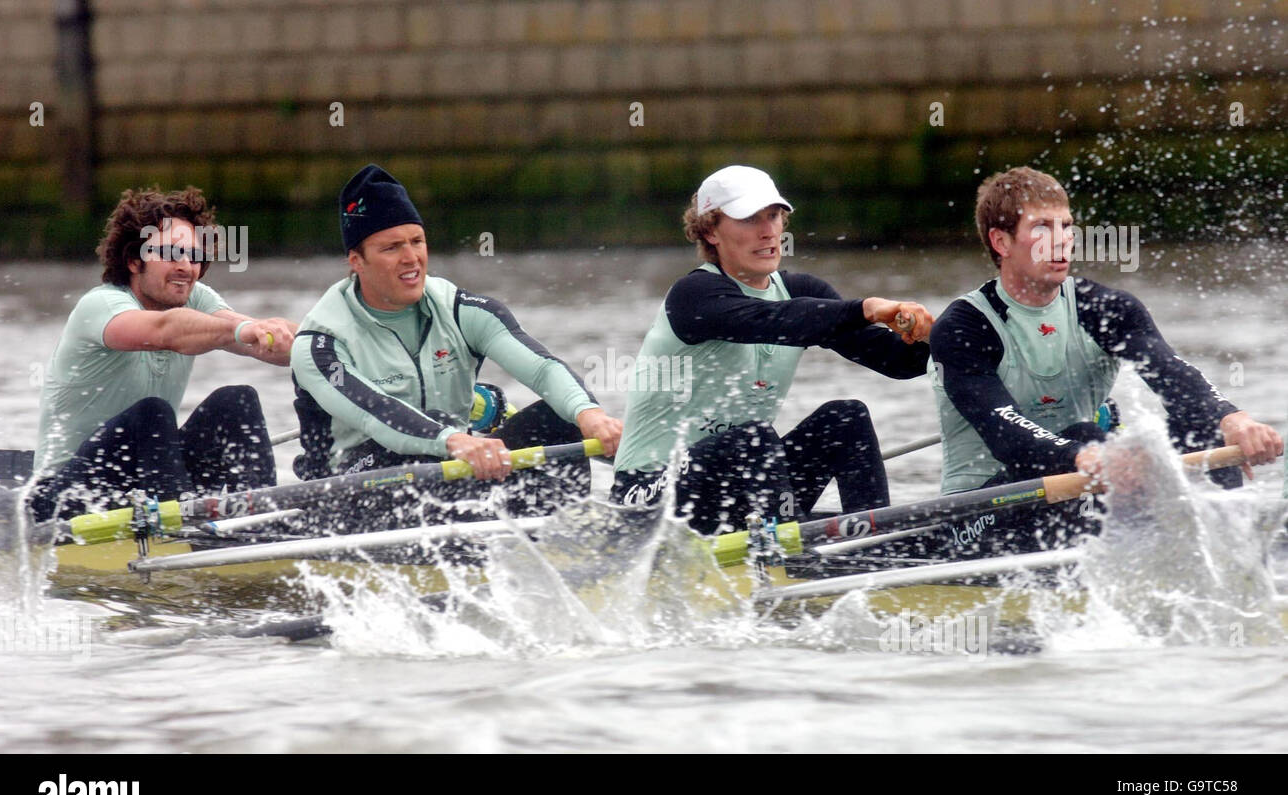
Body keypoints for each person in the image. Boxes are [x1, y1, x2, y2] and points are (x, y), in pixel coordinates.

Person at [929, 166, 1282, 546]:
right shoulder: (963, 328)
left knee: (1204, 427)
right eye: (1042, 228)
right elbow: (1005, 433)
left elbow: (1171, 373)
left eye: (1066, 227)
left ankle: (1230, 550)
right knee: (1089, 436)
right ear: (1002, 242)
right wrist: (1084, 455)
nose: (1061, 241)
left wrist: (1232, 419)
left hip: (1084, 484)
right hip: (980, 513)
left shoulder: (1105, 308)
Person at [610, 165, 934, 535]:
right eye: (750, 219)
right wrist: (865, 309)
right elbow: (775, 320)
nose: (768, 231)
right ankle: (784, 560)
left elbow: (900, 361)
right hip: (646, 496)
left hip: (742, 489)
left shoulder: (800, 291)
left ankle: (874, 549)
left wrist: (945, 334)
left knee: (846, 418)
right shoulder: (693, 297)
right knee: (753, 438)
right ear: (711, 230)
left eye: (775, 216)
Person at [289, 164, 622, 523]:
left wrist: (590, 415)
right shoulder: (319, 344)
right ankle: (483, 543)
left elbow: (542, 369)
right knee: (421, 443)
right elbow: (378, 414)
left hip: (448, 465)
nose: (411, 258)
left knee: (558, 416)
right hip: (347, 491)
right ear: (357, 262)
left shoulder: (462, 310)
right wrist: (453, 440)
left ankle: (557, 538)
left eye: (417, 241)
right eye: (391, 247)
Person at [31, 186, 298, 521]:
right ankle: (179, 532)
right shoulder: (100, 305)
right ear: (133, 259)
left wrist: (317, 345)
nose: (186, 267)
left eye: (194, 256)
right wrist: (240, 330)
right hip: (63, 496)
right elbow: (164, 331)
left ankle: (263, 521)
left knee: (237, 400)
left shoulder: (195, 297)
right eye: (171, 253)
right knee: (152, 414)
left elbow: (267, 340)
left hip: (145, 485)